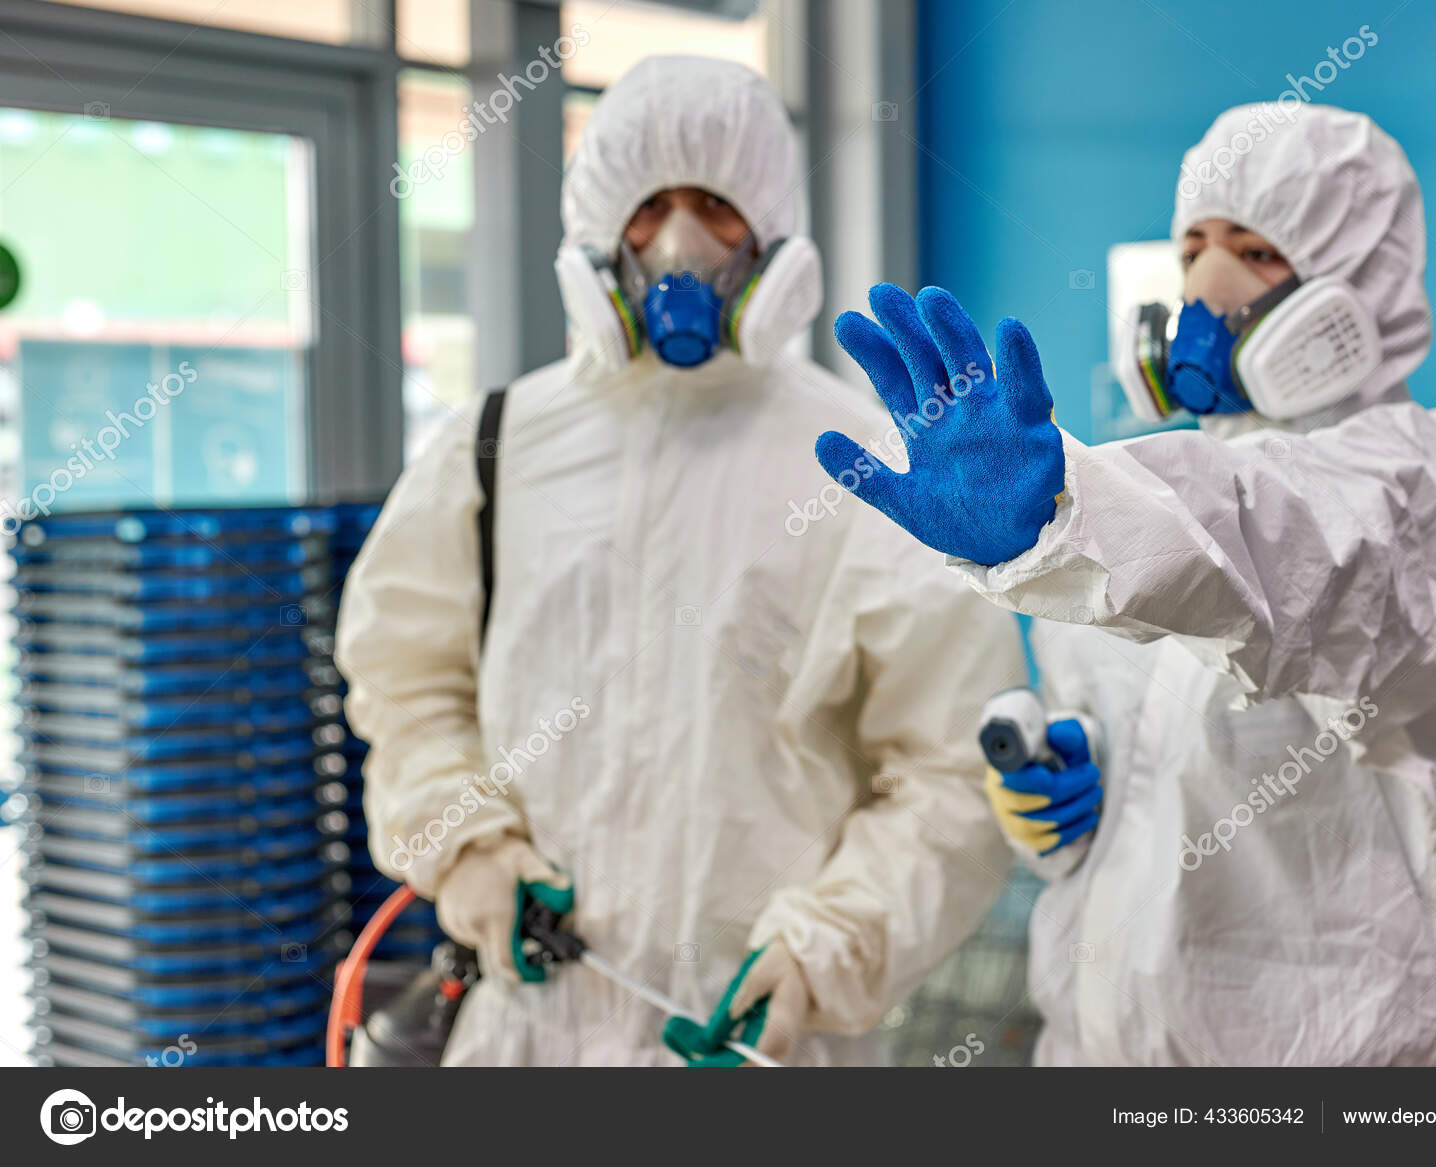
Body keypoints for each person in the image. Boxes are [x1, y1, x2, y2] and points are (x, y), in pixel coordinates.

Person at [814, 104, 1436, 1065]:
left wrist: (1067, 512)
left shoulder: (1431, 479)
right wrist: (1060, 810)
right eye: (1192, 243)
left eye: (1259, 250)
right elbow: (1143, 767)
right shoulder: (1137, 492)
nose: (1208, 279)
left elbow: (1288, 554)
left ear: (1358, 287)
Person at [335, 54, 1022, 1067]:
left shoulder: (865, 465)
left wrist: (827, 948)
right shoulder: (494, 445)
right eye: (648, 206)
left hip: (753, 1039)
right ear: (599, 225)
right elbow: (406, 683)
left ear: (774, 227)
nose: (678, 244)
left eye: (715, 204)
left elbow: (950, 769)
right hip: (526, 1029)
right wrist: (469, 845)